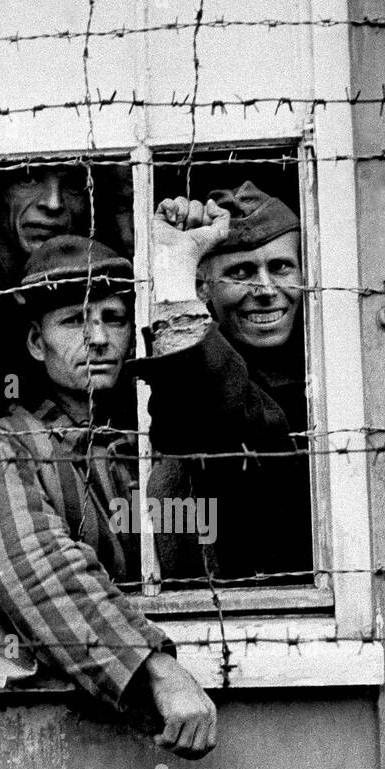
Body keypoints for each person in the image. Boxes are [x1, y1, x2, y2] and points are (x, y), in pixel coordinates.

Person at [0, 235, 217, 759]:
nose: (99, 337)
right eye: (74, 321)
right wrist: (154, 666)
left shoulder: (153, 441)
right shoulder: (12, 442)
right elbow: (27, 564)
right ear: (36, 343)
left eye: (113, 317)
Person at [140, 180, 313, 584]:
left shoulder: (333, 372)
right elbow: (206, 410)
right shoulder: (199, 386)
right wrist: (178, 260)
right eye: (241, 272)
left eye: (281, 267)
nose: (267, 290)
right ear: (202, 289)